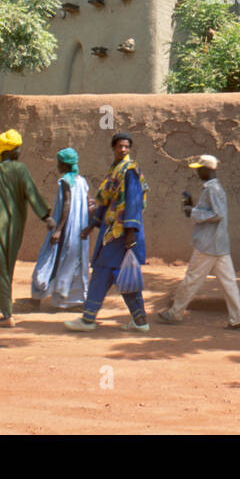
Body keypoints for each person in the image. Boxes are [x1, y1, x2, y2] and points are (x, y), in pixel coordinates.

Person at [65, 133, 149, 332]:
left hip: (122, 233)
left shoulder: (129, 170)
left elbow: (134, 201)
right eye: (120, 146)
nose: (123, 150)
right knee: (121, 274)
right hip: (112, 231)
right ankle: (140, 320)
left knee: (105, 272)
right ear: (113, 147)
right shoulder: (115, 170)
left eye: (126, 146)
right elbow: (106, 202)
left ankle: (88, 319)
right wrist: (92, 225)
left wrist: (130, 230)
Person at [0, 129, 53, 328]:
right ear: (8, 151)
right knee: (4, 267)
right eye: (16, 149)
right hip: (15, 227)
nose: (19, 152)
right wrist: (46, 216)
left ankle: (6, 315)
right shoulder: (21, 170)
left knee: (1, 268)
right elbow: (32, 193)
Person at [157, 155, 240, 330]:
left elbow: (217, 214)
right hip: (219, 244)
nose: (198, 172)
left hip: (208, 245)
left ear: (209, 169)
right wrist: (193, 209)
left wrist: (194, 212)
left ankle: (175, 312)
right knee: (229, 282)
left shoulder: (212, 189)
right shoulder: (214, 188)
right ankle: (238, 317)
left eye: (200, 168)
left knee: (192, 279)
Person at [31, 147, 90, 309]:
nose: (57, 165)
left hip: (66, 228)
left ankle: (38, 296)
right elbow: (89, 202)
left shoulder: (66, 181)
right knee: (75, 262)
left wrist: (58, 229)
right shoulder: (82, 181)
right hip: (79, 229)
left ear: (65, 165)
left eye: (59, 163)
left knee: (48, 258)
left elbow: (67, 205)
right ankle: (73, 300)